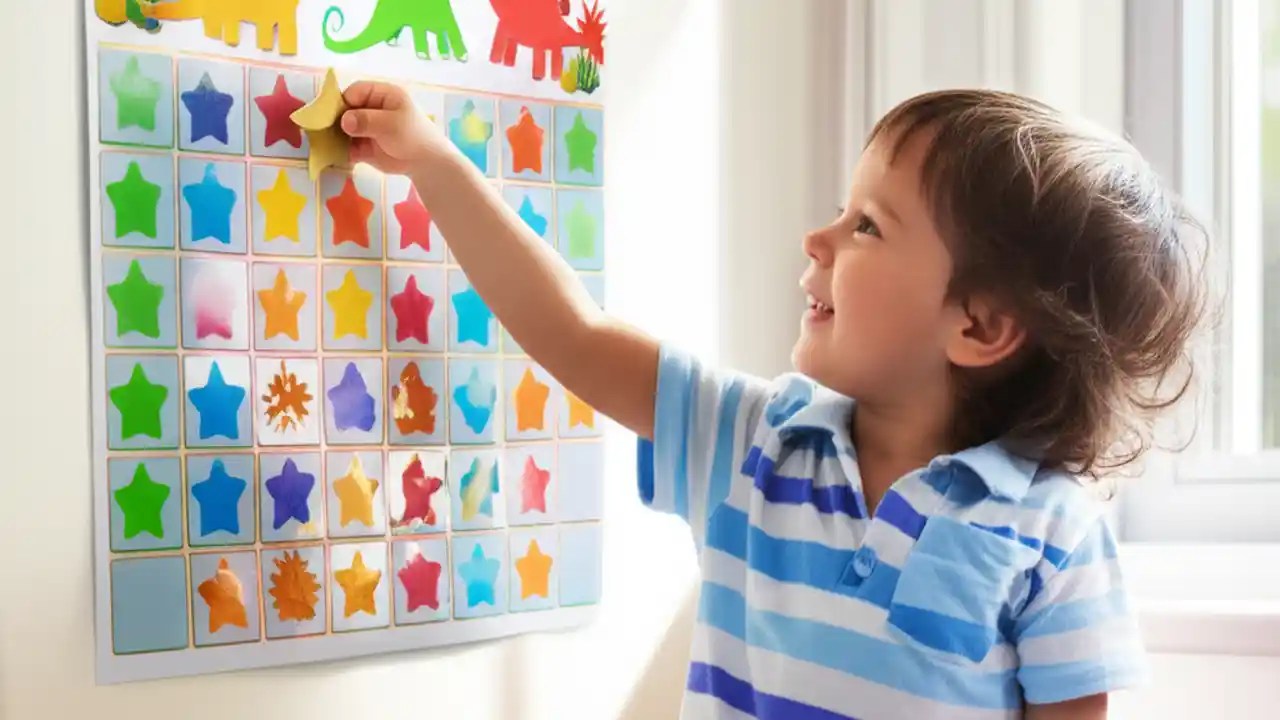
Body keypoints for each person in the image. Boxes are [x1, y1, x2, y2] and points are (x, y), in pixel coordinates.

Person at [338, 82, 1207, 719]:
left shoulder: (1053, 532)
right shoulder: (755, 440)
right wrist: (435, 164)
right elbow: (575, 335)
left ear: (979, 328)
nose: (818, 237)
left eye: (867, 225)